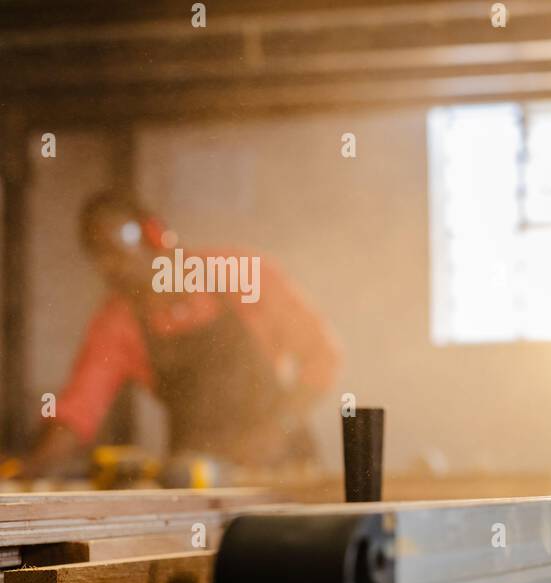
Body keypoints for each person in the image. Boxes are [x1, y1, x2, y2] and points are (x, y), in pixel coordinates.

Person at [23, 190, 340, 476]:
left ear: (156, 237)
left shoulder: (241, 275)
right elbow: (79, 408)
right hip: (199, 480)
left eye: (118, 254)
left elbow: (323, 358)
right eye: (100, 258)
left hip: (285, 471)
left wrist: (277, 429)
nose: (111, 269)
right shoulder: (118, 320)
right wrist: (28, 473)